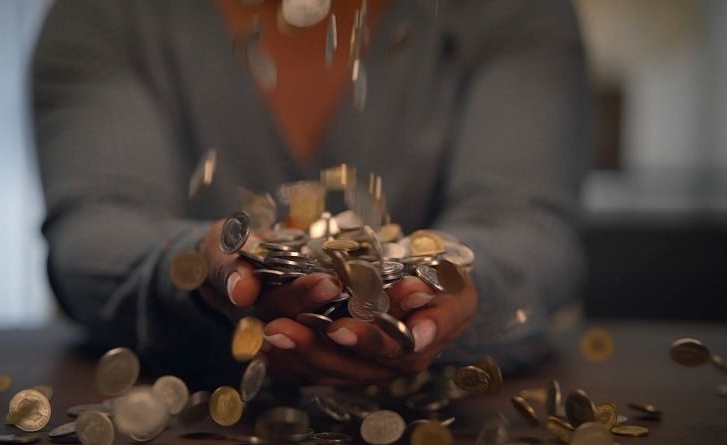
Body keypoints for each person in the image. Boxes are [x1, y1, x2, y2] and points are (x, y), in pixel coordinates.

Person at [31, 0, 590, 390]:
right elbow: (96, 228)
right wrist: (201, 267)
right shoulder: (107, 12)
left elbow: (528, 226)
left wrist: (449, 298)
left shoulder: (514, 10)